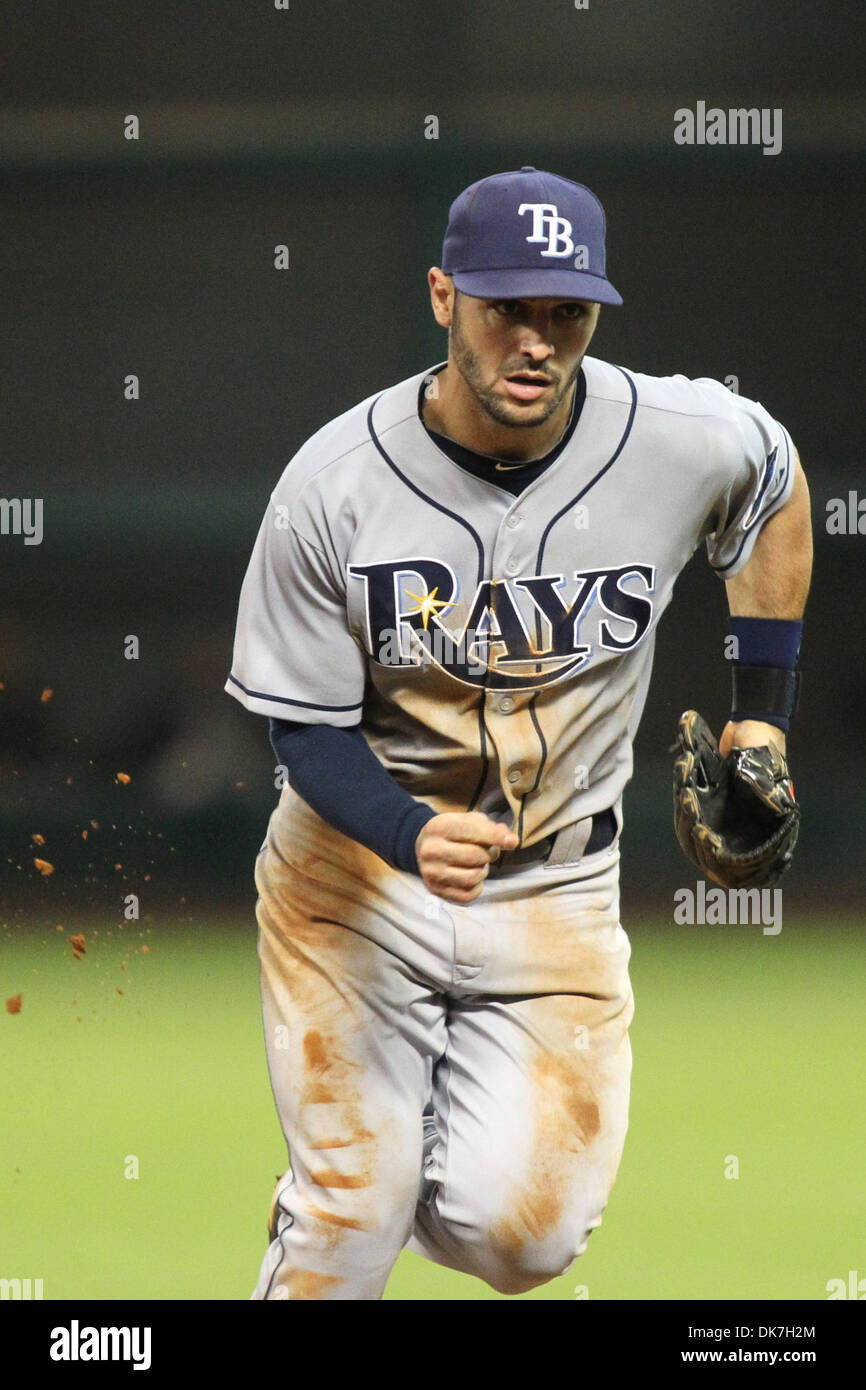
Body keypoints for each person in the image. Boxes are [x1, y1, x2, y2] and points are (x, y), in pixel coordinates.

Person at [225, 166, 812, 1300]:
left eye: (566, 312)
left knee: (522, 1241)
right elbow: (302, 724)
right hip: (353, 879)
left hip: (559, 888)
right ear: (443, 297)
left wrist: (762, 718)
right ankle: (343, 1194)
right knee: (352, 1212)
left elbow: (775, 485)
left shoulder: (678, 436)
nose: (537, 341)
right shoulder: (333, 484)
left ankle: (370, 1178)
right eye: (507, 309)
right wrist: (404, 831)